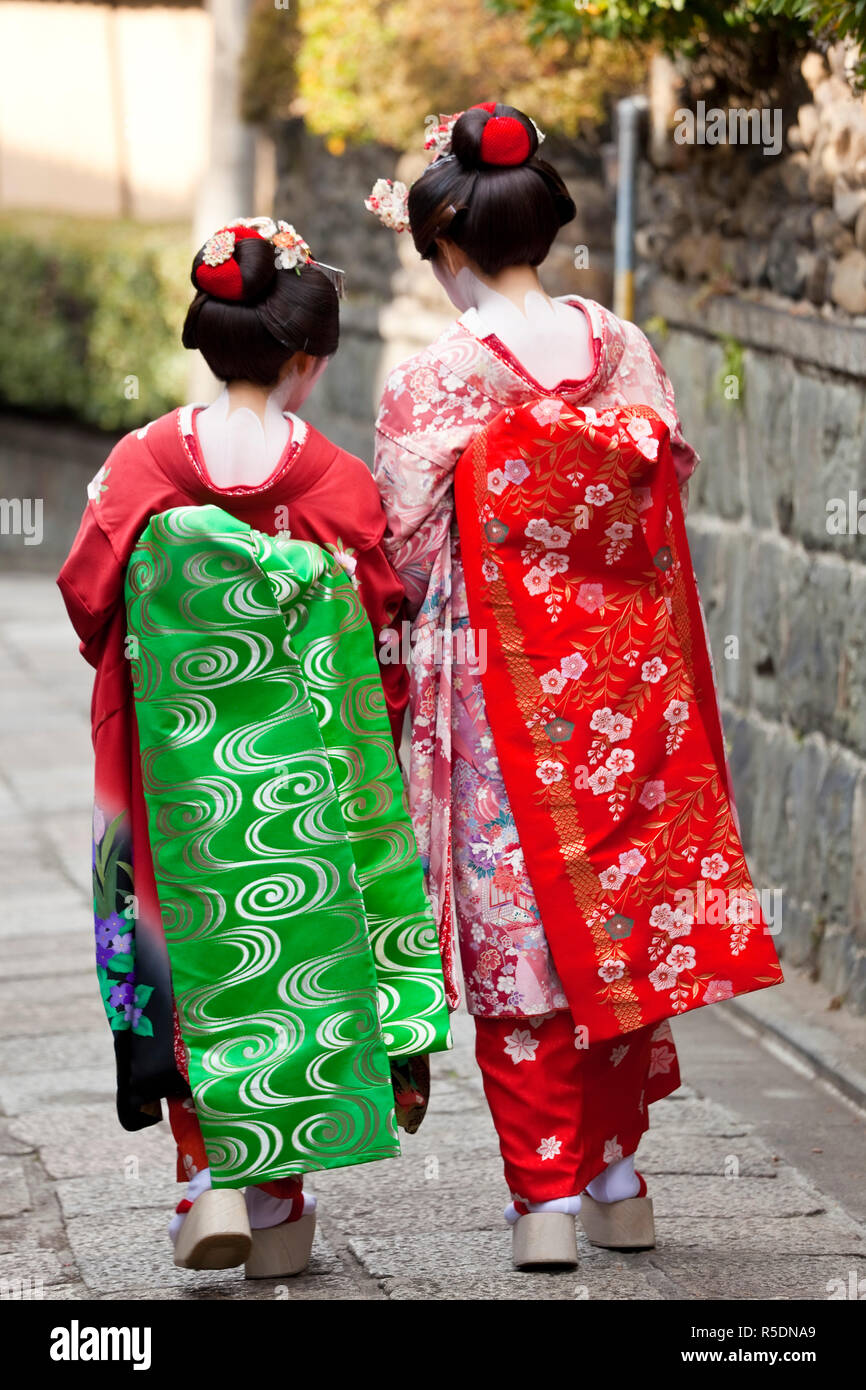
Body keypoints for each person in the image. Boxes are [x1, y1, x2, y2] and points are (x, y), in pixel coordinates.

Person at [367, 102, 782, 1269]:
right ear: (539, 230)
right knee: (616, 920)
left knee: (521, 941)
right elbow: (657, 501)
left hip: (500, 696)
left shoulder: (440, 382)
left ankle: (541, 1199)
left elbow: (397, 554)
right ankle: (618, 1175)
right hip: (629, 689)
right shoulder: (624, 350)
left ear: (447, 248)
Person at [58, 217, 451, 1278]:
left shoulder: (140, 465)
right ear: (304, 361)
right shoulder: (334, 483)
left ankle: (203, 1177)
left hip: (158, 766)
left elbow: (89, 603)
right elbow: (381, 647)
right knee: (291, 964)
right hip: (301, 786)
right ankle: (278, 1202)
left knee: (175, 956)